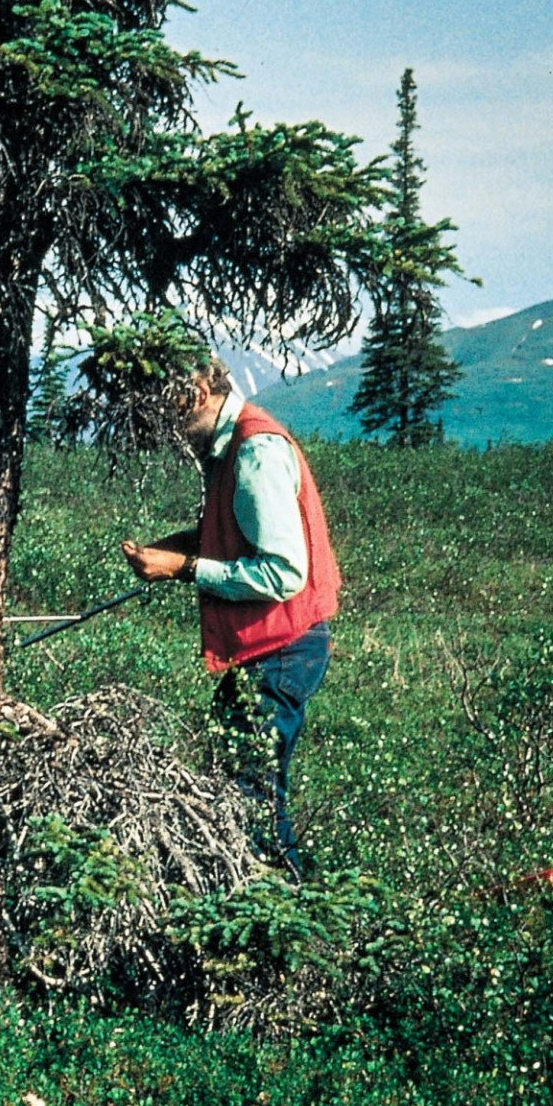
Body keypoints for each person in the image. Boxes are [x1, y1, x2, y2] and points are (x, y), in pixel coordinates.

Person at [121, 359, 341, 877]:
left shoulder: (256, 452)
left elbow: (282, 573)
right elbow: (242, 533)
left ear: (197, 393)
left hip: (282, 649)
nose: (162, 426)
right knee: (240, 785)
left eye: (165, 408)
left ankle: (287, 912)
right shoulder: (229, 447)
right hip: (271, 649)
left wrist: (185, 567)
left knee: (249, 799)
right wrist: (176, 549)